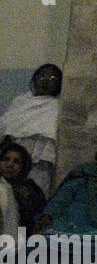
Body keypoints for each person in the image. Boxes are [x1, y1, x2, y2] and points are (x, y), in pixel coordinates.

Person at [0, 64, 62, 196]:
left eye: (52, 78)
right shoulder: (20, 101)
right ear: (34, 79)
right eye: (42, 76)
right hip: (10, 156)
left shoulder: (57, 105)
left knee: (29, 196)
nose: (46, 81)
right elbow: (6, 127)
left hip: (38, 162)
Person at [0, 140, 46, 231]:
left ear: (23, 166)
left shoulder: (31, 190)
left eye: (16, 162)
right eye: (6, 159)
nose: (9, 165)